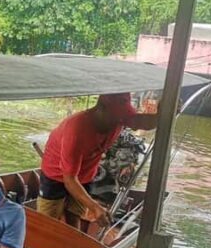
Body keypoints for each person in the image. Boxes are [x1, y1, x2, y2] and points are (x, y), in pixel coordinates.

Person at [39, 92, 158, 227]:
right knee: (47, 221)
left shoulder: (118, 118)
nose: (121, 122)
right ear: (102, 108)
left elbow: (141, 122)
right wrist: (95, 207)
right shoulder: (77, 129)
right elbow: (70, 179)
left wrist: (162, 115)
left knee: (74, 215)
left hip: (85, 174)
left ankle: (73, 243)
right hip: (56, 173)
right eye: (117, 117)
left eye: (123, 118)